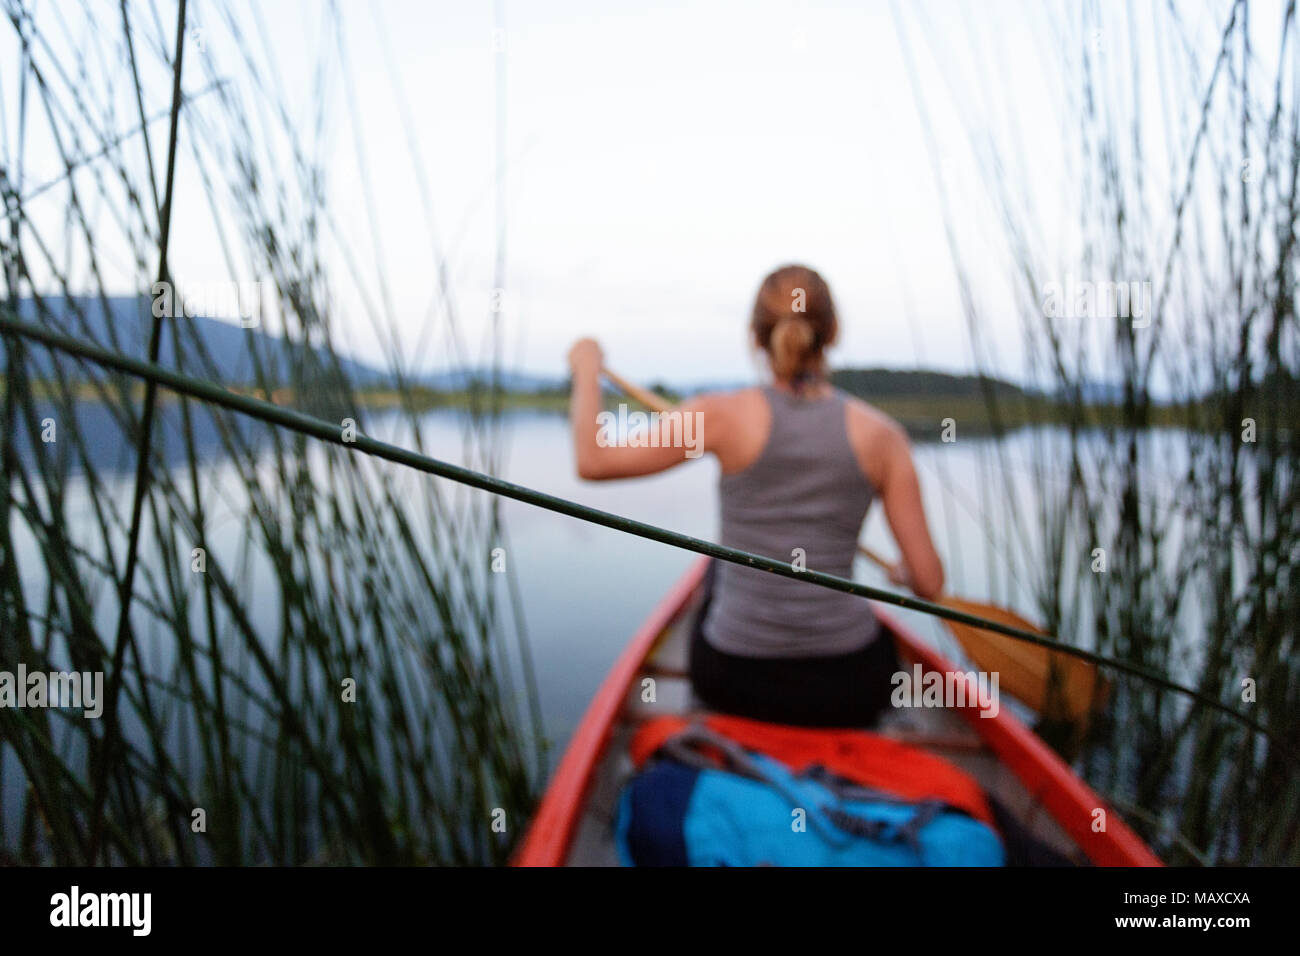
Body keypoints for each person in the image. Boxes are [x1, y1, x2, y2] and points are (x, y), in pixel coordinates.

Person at [567, 264, 944, 727]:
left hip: (737, 676)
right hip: (849, 682)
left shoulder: (721, 417)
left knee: (714, 574)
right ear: (833, 331)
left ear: (755, 335)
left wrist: (587, 369)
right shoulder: (883, 437)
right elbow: (929, 583)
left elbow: (594, 461)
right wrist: (905, 573)